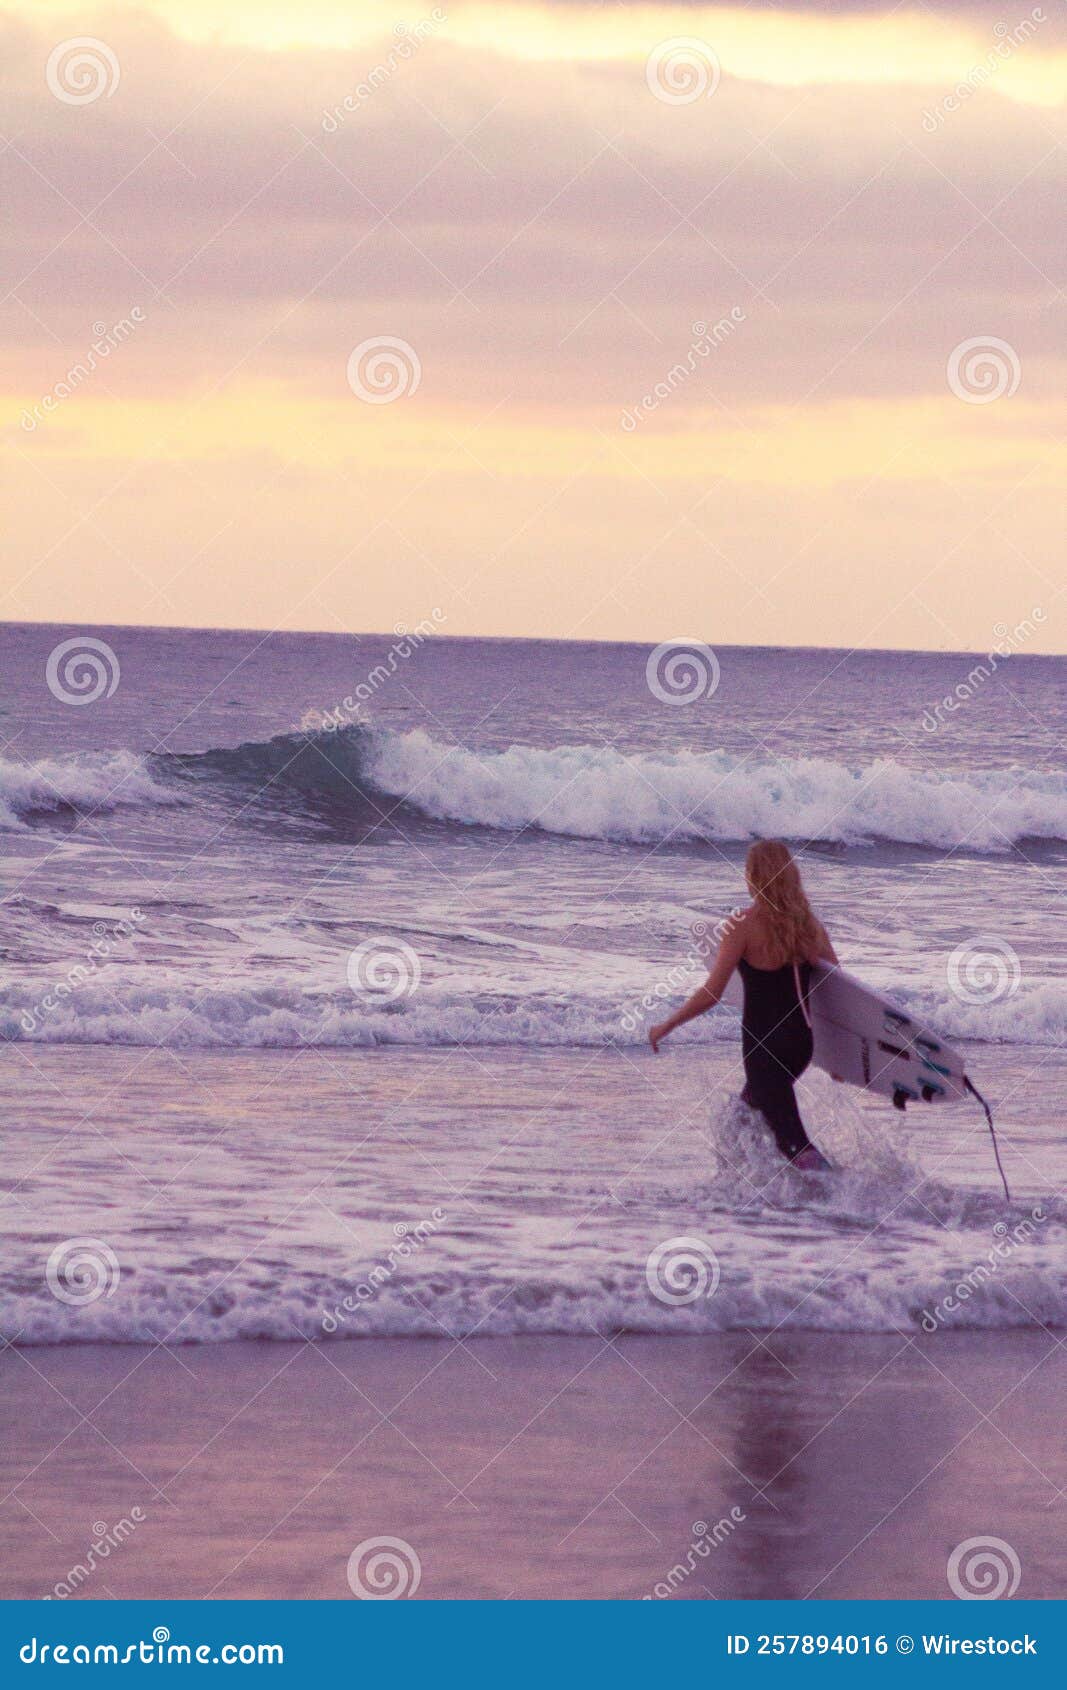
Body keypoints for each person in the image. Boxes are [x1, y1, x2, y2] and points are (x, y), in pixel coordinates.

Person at [648, 839, 837, 1170]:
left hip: (765, 1048)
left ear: (752, 876)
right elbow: (835, 983)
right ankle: (762, 1189)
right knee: (741, 1119)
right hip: (800, 1046)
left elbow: (713, 992)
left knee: (792, 1141)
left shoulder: (742, 925)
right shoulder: (809, 925)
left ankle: (848, 1197)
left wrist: (669, 1023)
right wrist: (840, 1052)